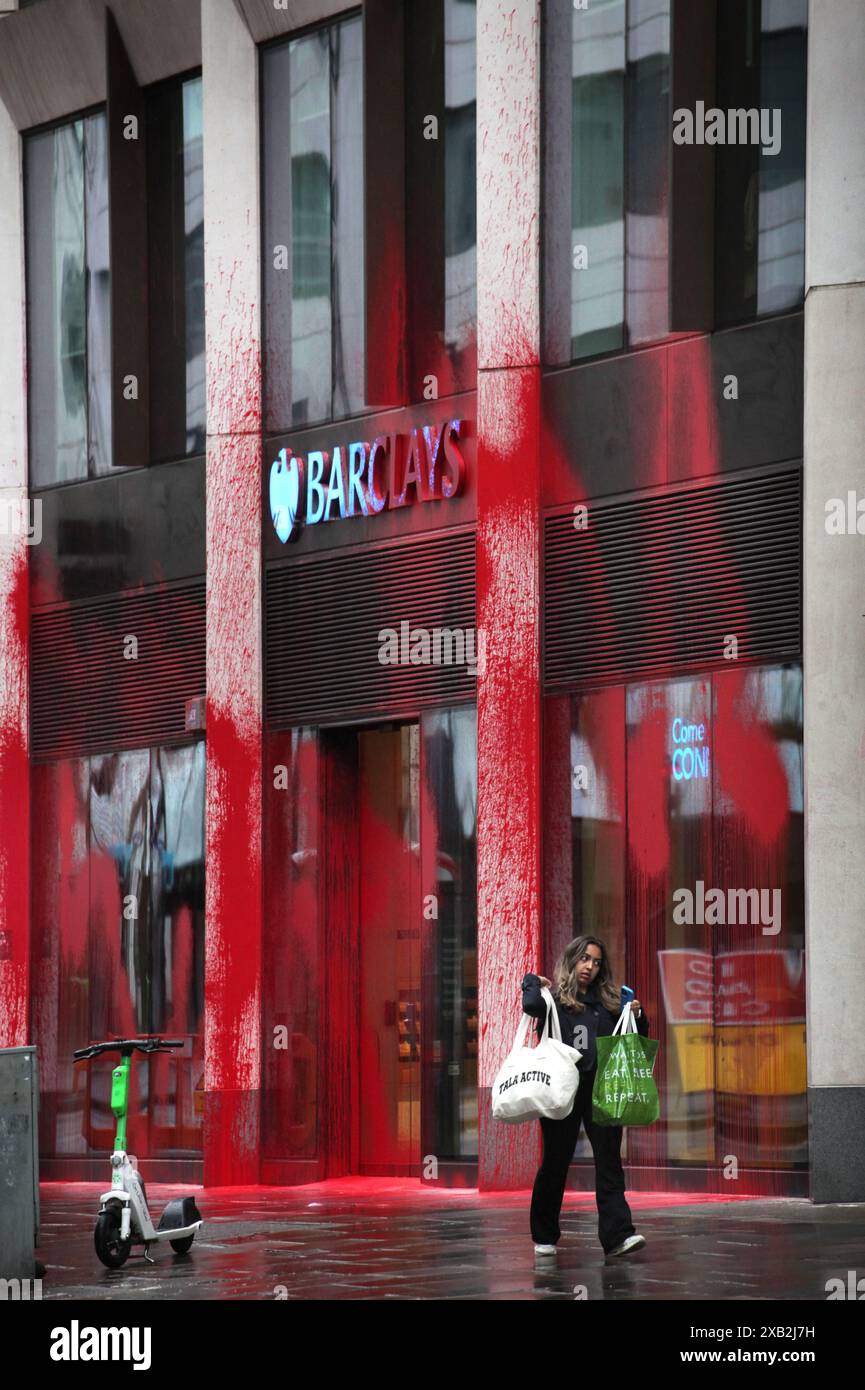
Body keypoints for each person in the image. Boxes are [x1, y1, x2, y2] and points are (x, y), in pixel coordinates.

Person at [522, 934, 651, 1262]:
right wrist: (530, 982)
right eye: (584, 959)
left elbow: (636, 1036)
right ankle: (544, 1235)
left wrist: (637, 1014)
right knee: (555, 1162)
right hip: (562, 1091)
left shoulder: (610, 1004)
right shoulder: (553, 1001)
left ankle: (618, 1235)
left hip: (601, 1091)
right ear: (572, 960)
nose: (589, 967)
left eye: (595, 962)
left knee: (609, 1164)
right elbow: (530, 1005)